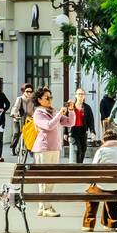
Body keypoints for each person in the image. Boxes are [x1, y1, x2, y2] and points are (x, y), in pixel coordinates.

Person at [30, 87, 76, 217]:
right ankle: (46, 206)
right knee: (44, 178)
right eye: (47, 97)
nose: (50, 100)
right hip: (43, 148)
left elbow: (70, 123)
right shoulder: (38, 113)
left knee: (51, 178)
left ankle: (43, 206)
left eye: (51, 97)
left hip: (55, 147)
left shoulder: (54, 111)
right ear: (39, 100)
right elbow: (49, 126)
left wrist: (71, 111)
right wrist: (59, 114)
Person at [84, 128, 117, 231]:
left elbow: (93, 169)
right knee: (112, 190)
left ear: (104, 141)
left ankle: (88, 224)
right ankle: (111, 224)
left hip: (103, 186)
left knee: (93, 192)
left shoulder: (101, 151)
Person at [69, 87, 96, 164]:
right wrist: (65, 133)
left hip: (83, 130)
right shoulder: (72, 107)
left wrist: (92, 131)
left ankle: (80, 165)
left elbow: (91, 120)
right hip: (74, 131)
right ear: (75, 95)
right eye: (79, 94)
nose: (81, 96)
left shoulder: (87, 107)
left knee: (83, 149)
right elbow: (66, 119)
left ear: (84, 96)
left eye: (82, 94)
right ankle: (78, 168)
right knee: (77, 149)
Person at [9, 83, 36, 158]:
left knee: (31, 134)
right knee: (17, 133)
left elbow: (35, 110)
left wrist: (35, 116)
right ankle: (13, 147)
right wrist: (14, 114)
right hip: (19, 119)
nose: (29, 93)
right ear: (23, 91)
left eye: (31, 91)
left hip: (28, 120)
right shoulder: (20, 99)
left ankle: (29, 149)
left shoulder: (33, 100)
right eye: (27, 91)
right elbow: (15, 107)